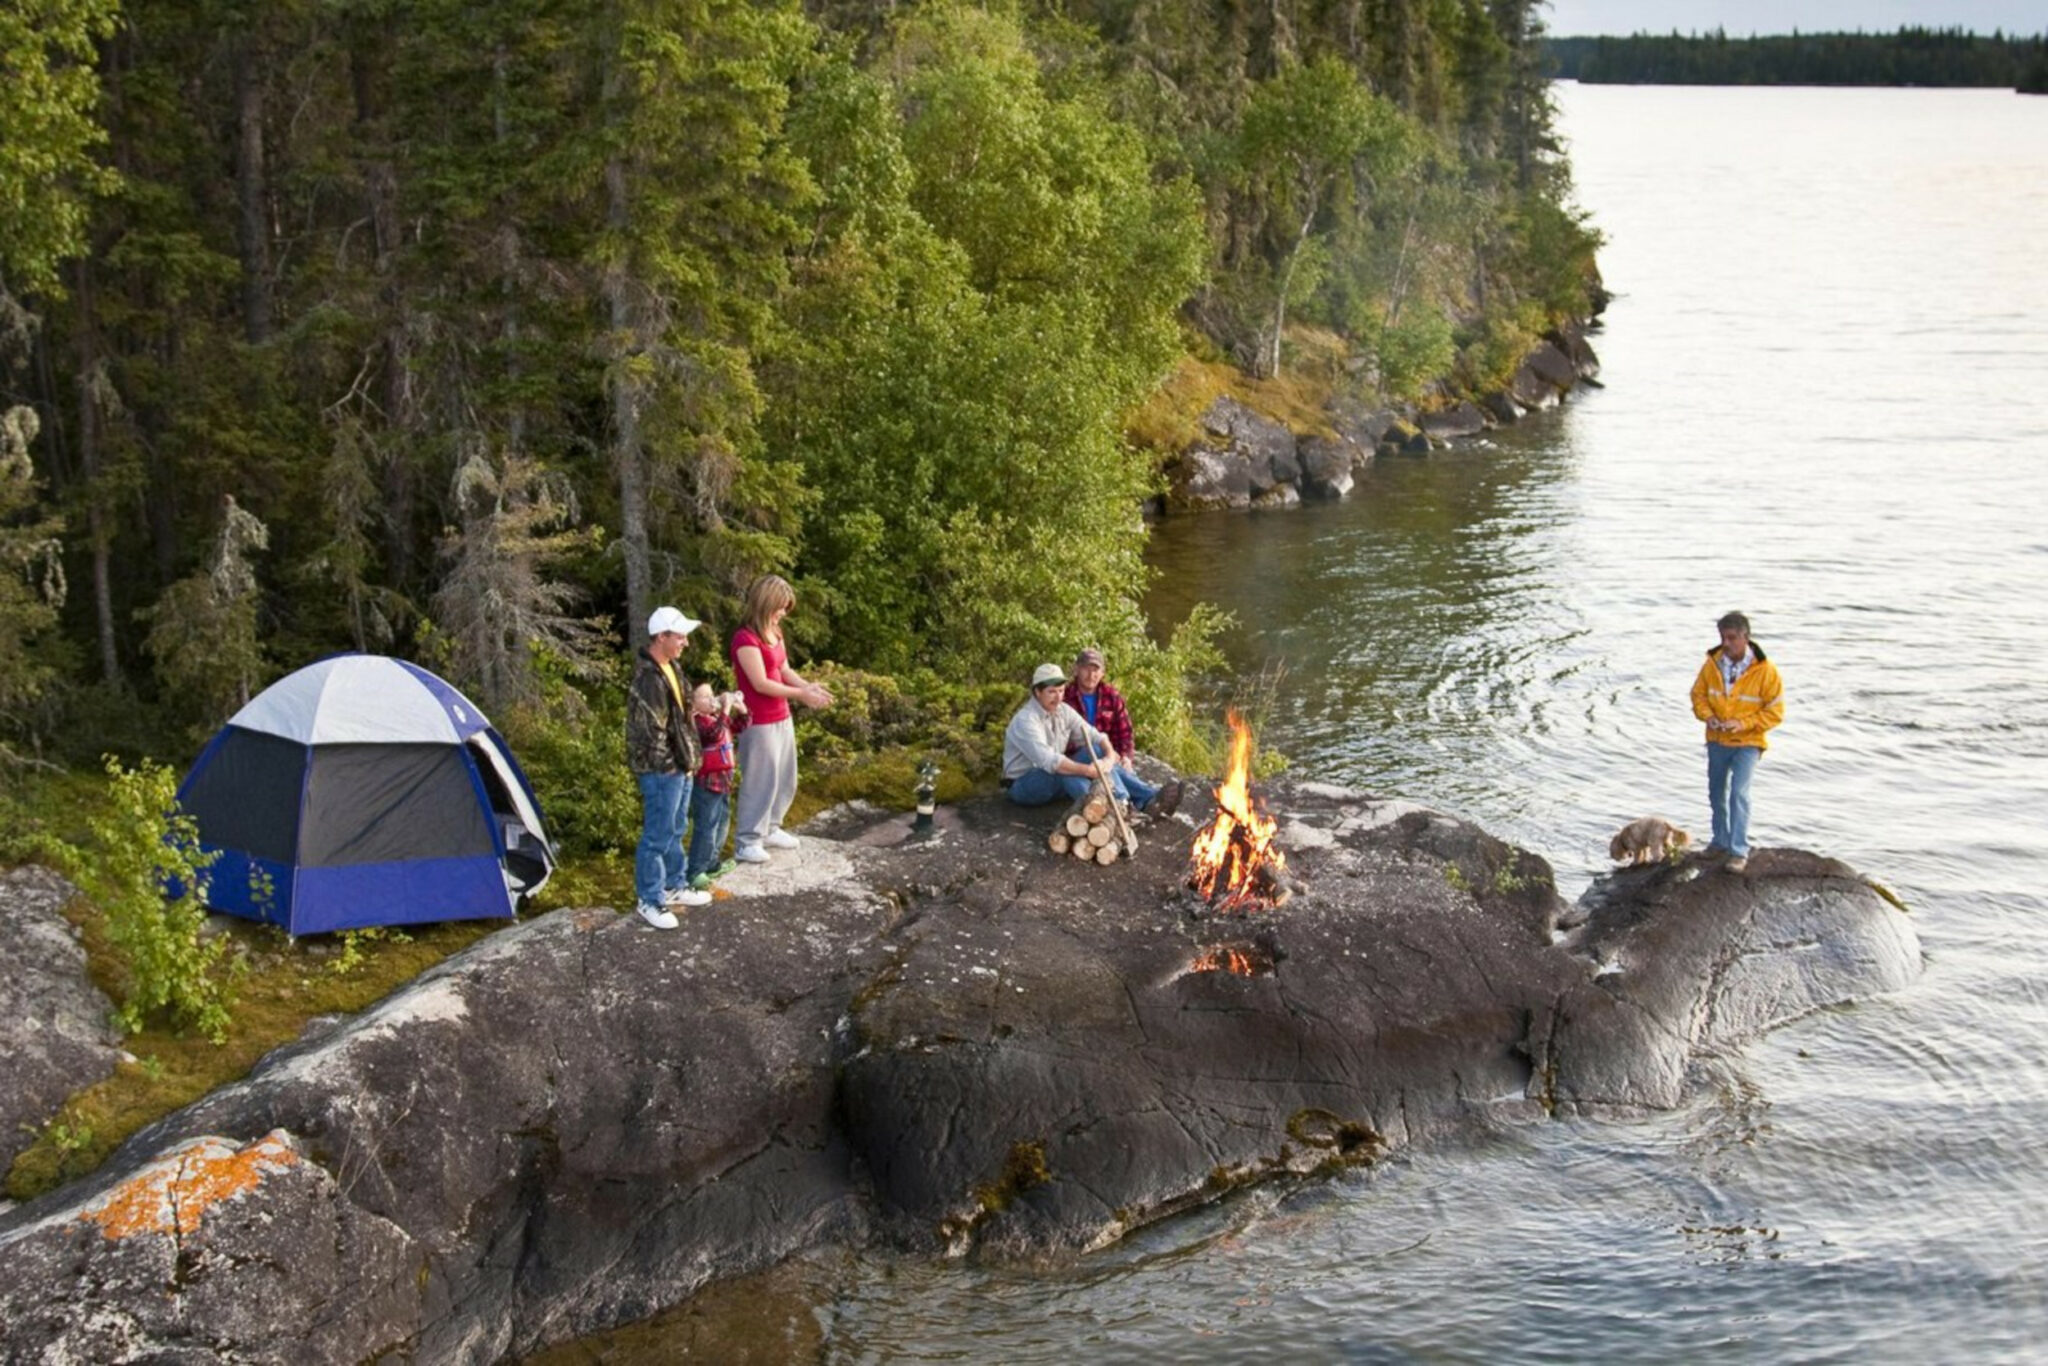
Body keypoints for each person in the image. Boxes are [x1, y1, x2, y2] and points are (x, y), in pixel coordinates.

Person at [730, 574, 833, 863]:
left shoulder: (775, 631)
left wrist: (807, 687)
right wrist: (801, 696)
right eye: (781, 607)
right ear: (766, 603)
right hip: (758, 720)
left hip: (781, 715)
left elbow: (784, 670)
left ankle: (772, 827)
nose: (784, 613)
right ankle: (748, 840)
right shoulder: (745, 638)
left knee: (785, 775)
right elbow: (760, 683)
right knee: (760, 779)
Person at [627, 607, 713, 928]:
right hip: (663, 771)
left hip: (680, 766)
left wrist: (688, 763)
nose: (685, 642)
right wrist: (670, 767)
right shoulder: (649, 678)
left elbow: (684, 715)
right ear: (661, 637)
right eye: (679, 636)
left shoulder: (671, 668)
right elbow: (650, 733)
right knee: (657, 836)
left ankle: (675, 884)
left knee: (677, 829)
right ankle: (649, 899)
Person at [1003, 662, 1180, 814]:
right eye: (1052, 692)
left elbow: (1095, 736)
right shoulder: (1026, 721)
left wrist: (1109, 758)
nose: (1058, 698)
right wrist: (1088, 770)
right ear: (1037, 692)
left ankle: (1145, 799)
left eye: (1061, 691)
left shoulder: (1063, 710)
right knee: (1067, 771)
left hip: (1051, 777)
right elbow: (1051, 761)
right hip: (1024, 785)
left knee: (1094, 751)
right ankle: (1115, 808)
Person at [1689, 611, 1784, 873]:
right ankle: (1720, 841)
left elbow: (1775, 712)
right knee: (1716, 792)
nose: (1726, 643)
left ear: (1745, 637)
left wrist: (1742, 724)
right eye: (1722, 637)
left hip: (1748, 743)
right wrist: (1709, 717)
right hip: (1717, 740)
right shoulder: (1712, 664)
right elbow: (1698, 696)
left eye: (1731, 638)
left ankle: (1738, 850)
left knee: (1739, 794)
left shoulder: (1766, 671)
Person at [1062, 646, 1181, 817]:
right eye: (1086, 669)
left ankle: (1145, 802)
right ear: (1076, 669)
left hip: (1106, 759)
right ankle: (1138, 799)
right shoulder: (1065, 697)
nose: (1091, 675)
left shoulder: (1112, 697)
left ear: (1103, 673)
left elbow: (1125, 734)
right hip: (1075, 759)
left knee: (1110, 762)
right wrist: (1107, 754)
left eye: (1096, 670)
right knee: (1096, 750)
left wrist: (1125, 757)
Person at [685, 681, 749, 890]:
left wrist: (741, 709)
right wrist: (726, 709)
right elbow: (713, 734)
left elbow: (740, 726)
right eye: (705, 696)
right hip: (706, 783)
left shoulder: (714, 718)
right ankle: (695, 871)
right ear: (693, 704)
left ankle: (712, 864)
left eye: (712, 694)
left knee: (722, 823)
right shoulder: (696, 722)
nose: (712, 699)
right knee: (706, 827)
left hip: (723, 782)